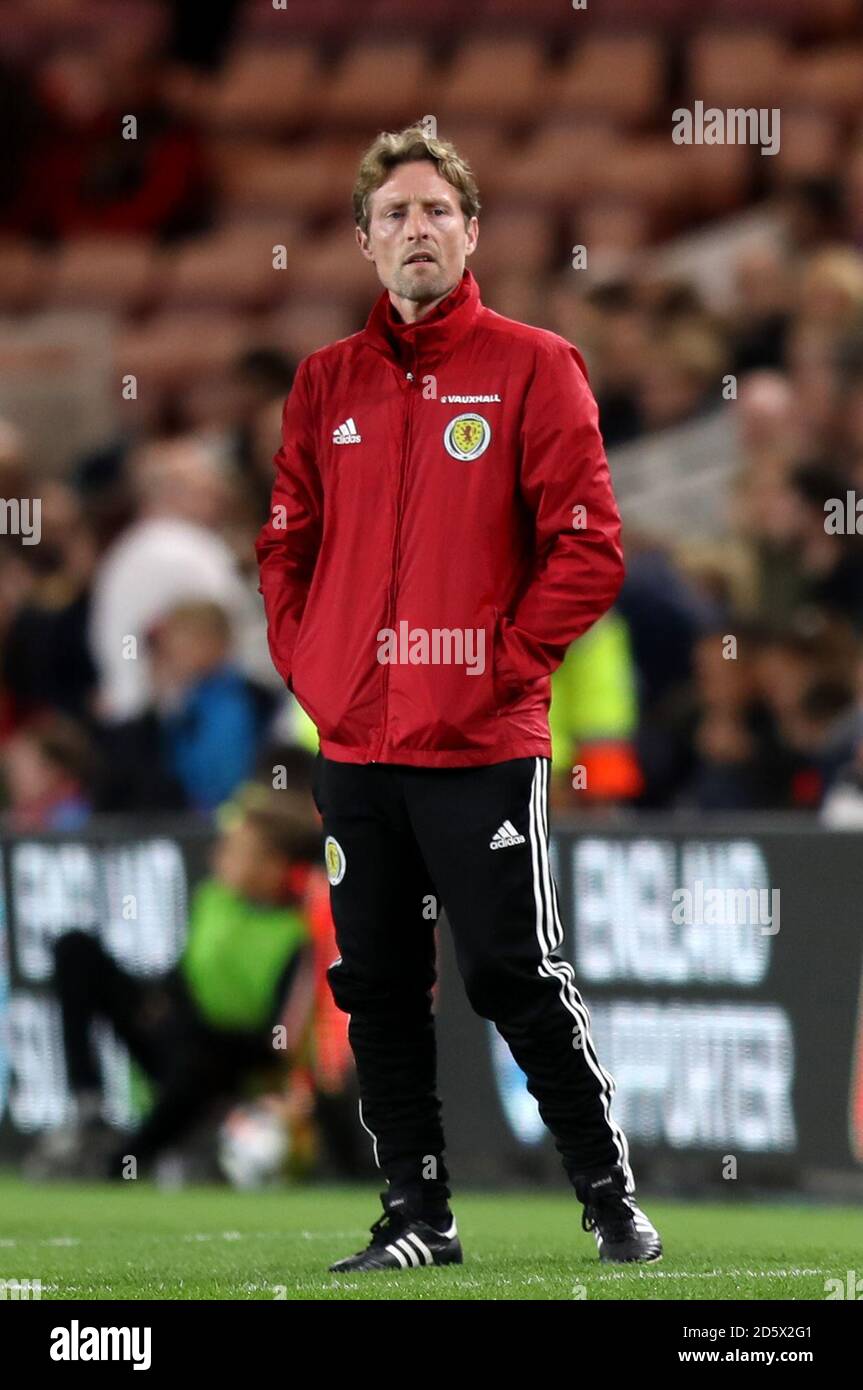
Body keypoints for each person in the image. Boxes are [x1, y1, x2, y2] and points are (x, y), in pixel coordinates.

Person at [256, 126, 663, 1270]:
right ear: (362, 243)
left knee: (508, 972)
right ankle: (415, 1217)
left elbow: (588, 545)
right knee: (375, 987)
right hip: (358, 745)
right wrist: (316, 666)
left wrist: (497, 664)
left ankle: (606, 1195)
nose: (415, 229)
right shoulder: (322, 383)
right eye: (393, 215)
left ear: (471, 232)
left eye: (436, 210)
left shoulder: (535, 365)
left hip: (479, 741)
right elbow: (282, 544)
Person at [29, 785, 319, 1180]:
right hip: (174, 1045)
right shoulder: (213, 899)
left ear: (274, 866)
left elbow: (279, 1044)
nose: (220, 856)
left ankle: (118, 1165)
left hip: (225, 1075)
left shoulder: (294, 937)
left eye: (237, 850)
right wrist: (162, 1000)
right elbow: (188, 975)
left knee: (202, 1057)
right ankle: (87, 1106)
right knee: (75, 949)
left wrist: (205, 1037)